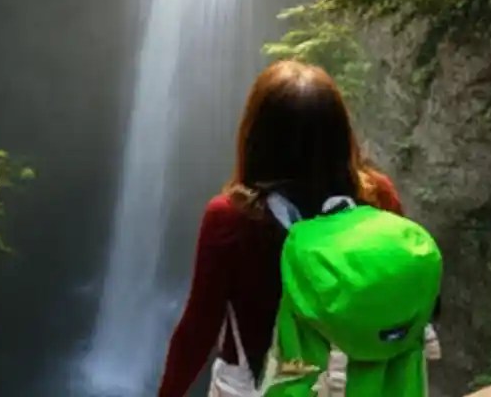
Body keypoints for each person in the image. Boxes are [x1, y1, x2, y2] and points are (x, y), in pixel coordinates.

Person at [157, 60, 406, 397]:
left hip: (259, 386)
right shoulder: (378, 196)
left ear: (257, 135)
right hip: (352, 383)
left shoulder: (232, 219)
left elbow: (198, 329)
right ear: (339, 133)